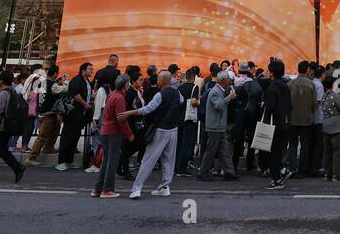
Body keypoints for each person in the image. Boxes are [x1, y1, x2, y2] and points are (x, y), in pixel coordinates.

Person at [123, 69, 185, 198]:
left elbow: (147, 109)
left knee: (148, 160)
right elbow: (181, 101)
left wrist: (129, 112)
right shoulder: (177, 93)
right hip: (173, 130)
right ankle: (165, 186)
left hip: (161, 129)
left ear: (161, 82)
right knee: (168, 160)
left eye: (158, 80)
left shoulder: (160, 94)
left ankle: (136, 189)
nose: (157, 81)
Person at [92, 76, 134, 198]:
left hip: (105, 130)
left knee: (106, 161)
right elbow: (121, 119)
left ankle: (98, 188)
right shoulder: (120, 98)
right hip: (113, 132)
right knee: (112, 161)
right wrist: (129, 134)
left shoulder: (112, 95)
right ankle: (107, 189)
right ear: (125, 85)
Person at [198, 71, 239, 181]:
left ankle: (229, 172)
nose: (230, 81)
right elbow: (219, 106)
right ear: (224, 81)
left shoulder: (218, 90)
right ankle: (203, 173)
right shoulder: (216, 92)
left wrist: (228, 96)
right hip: (215, 126)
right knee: (211, 150)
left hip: (218, 125)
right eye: (228, 80)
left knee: (223, 150)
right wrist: (229, 97)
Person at [55, 62, 93, 171]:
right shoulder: (77, 80)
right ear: (83, 71)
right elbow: (76, 95)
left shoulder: (87, 82)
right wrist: (85, 104)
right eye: (89, 69)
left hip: (81, 115)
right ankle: (61, 161)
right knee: (67, 137)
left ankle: (69, 160)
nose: (91, 71)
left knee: (75, 137)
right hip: (73, 113)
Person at [264, 60, 293, 188]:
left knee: (273, 152)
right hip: (285, 122)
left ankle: (277, 177)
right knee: (278, 151)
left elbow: (270, 107)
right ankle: (280, 174)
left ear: (271, 73)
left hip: (274, 123)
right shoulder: (285, 86)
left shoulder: (272, 87)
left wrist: (264, 106)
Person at [320, 72, 340, 181]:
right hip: (336, 126)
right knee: (337, 151)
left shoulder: (324, 96)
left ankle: (327, 174)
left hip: (325, 125)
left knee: (327, 152)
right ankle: (336, 175)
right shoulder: (335, 96)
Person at [287, 61, 316, 176]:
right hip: (306, 118)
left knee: (292, 144)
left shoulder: (290, 84)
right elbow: (314, 104)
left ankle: (292, 168)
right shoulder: (311, 84)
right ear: (307, 70)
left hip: (292, 118)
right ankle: (303, 169)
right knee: (304, 145)